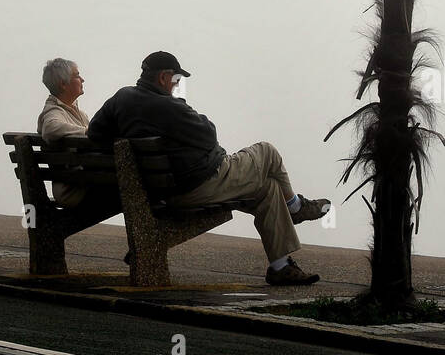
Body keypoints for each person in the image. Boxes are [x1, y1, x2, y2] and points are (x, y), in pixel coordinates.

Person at [87, 50, 330, 285]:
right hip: (197, 186)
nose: (176, 85)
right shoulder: (169, 108)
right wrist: (181, 108)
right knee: (267, 152)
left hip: (160, 191)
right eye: (176, 80)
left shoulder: (122, 98)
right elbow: (209, 134)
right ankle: (296, 207)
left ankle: (281, 267)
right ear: (163, 77)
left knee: (268, 188)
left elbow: (94, 132)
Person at [37, 58, 90, 207]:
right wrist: (86, 131)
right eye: (77, 76)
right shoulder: (53, 112)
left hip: (84, 182)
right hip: (72, 191)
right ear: (63, 84)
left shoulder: (79, 114)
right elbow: (50, 128)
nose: (82, 79)